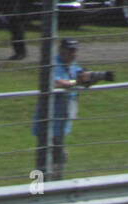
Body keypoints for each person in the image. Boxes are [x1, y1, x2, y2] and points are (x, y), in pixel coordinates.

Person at [32, 38, 93, 181]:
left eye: (75, 51)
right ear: (61, 50)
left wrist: (90, 78)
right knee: (46, 158)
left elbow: (81, 77)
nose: (73, 54)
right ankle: (39, 190)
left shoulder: (72, 65)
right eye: (70, 51)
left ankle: (53, 187)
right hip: (48, 120)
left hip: (62, 122)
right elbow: (56, 82)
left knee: (57, 157)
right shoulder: (53, 65)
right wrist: (75, 82)